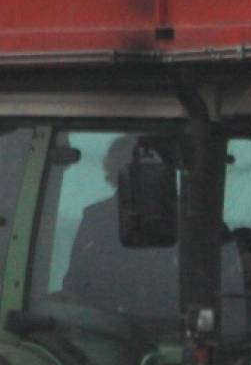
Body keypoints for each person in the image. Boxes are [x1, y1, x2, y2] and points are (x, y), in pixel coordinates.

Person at [61, 134, 179, 320]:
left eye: (147, 169)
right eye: (129, 168)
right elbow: (76, 282)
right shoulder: (95, 218)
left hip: (172, 327)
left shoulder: (189, 219)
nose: (139, 176)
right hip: (108, 327)